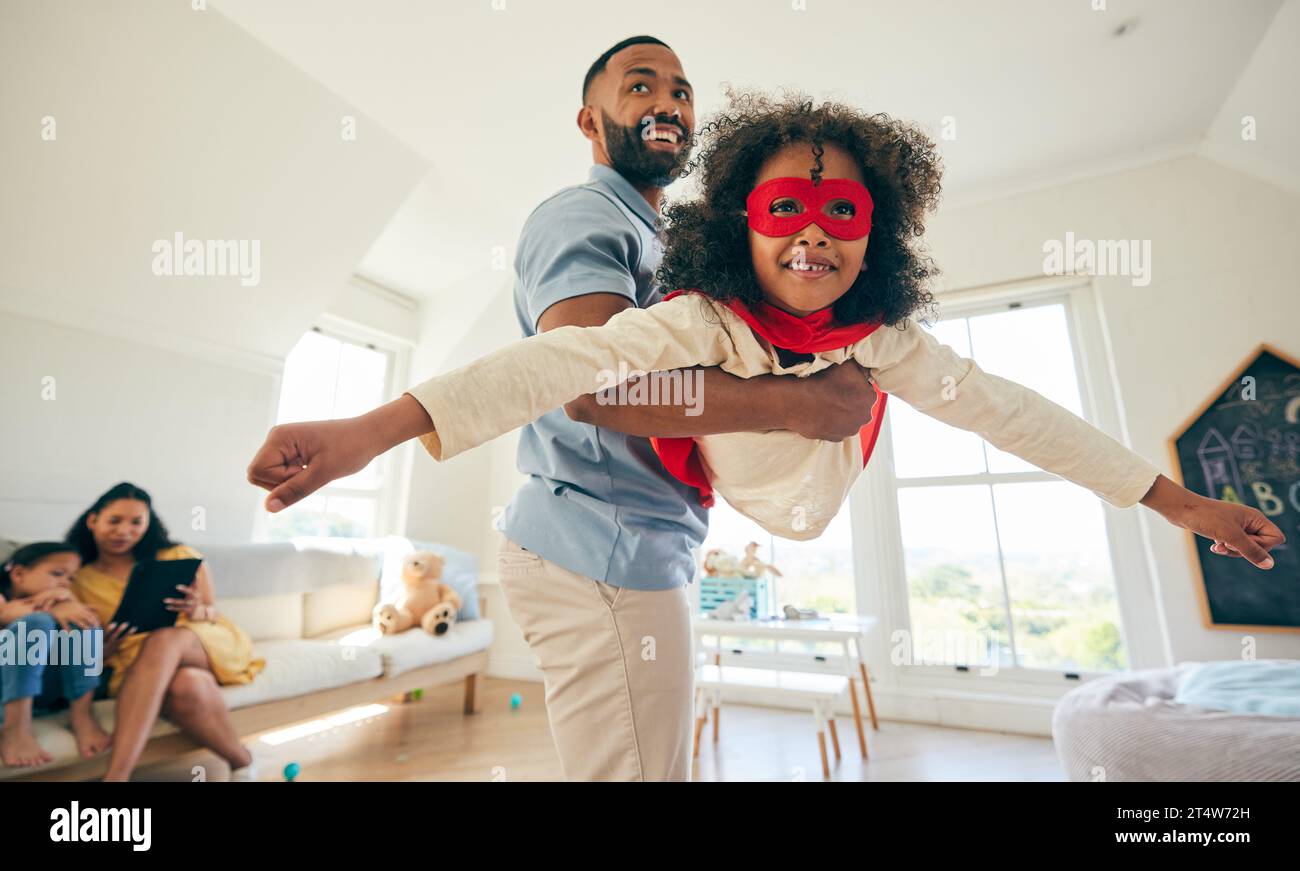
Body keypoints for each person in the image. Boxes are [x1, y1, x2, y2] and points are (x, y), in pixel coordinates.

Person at [68, 482, 265, 781]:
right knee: (188, 685)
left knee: (165, 638)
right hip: (136, 663)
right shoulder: (79, 579)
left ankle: (117, 776)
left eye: (136, 522)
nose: (125, 531)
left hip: (202, 641)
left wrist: (194, 608)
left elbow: (210, 611)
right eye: (115, 521)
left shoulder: (177, 555)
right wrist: (104, 648)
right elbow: (83, 646)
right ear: (93, 521)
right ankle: (242, 761)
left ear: (148, 524)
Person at [0, 542, 112, 767]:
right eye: (57, 574)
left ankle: (82, 716)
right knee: (38, 621)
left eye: (71, 578)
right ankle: (15, 728)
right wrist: (55, 608)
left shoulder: (65, 604)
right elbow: (6, 613)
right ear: (19, 574)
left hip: (47, 694)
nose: (64, 583)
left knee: (82, 619)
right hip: (5, 690)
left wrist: (68, 607)